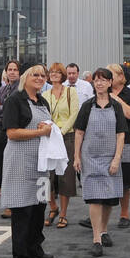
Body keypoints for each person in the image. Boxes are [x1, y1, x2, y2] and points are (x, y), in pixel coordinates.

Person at [0, 65, 54, 258]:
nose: (40, 78)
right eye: (35, 75)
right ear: (26, 78)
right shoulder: (15, 100)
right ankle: (19, 257)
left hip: (40, 164)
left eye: (43, 75)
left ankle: (34, 248)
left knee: (39, 206)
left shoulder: (42, 101)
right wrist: (40, 133)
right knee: (22, 208)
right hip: (20, 161)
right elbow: (12, 133)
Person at [73, 67, 126, 256]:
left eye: (104, 80)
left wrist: (117, 158)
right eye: (97, 80)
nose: (100, 83)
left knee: (109, 199)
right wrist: (76, 156)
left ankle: (104, 230)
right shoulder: (87, 106)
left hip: (110, 158)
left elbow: (121, 134)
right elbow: (79, 132)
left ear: (110, 83)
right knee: (95, 198)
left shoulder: (116, 106)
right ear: (93, 83)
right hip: (90, 158)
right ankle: (96, 238)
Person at [42, 63, 80, 227]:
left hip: (67, 136)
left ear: (63, 75)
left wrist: (61, 131)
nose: (54, 74)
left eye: (58, 72)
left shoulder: (71, 92)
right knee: (47, 174)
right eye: (51, 72)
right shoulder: (44, 94)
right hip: (49, 136)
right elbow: (43, 115)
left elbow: (74, 114)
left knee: (66, 175)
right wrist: (51, 130)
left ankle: (63, 213)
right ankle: (53, 207)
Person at [0, 61, 22, 218]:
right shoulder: (3, 88)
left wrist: (1, 106)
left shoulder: (22, 89)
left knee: (12, 167)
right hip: (1, 129)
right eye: (9, 70)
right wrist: (2, 106)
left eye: (15, 70)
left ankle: (12, 204)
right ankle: (7, 193)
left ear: (20, 72)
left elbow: (15, 108)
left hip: (15, 129)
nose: (12, 72)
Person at [109, 64, 130, 228]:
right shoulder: (101, 92)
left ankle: (124, 214)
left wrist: (117, 100)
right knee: (105, 177)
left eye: (111, 75)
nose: (108, 78)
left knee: (126, 180)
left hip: (127, 139)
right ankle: (99, 212)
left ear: (121, 76)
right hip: (106, 141)